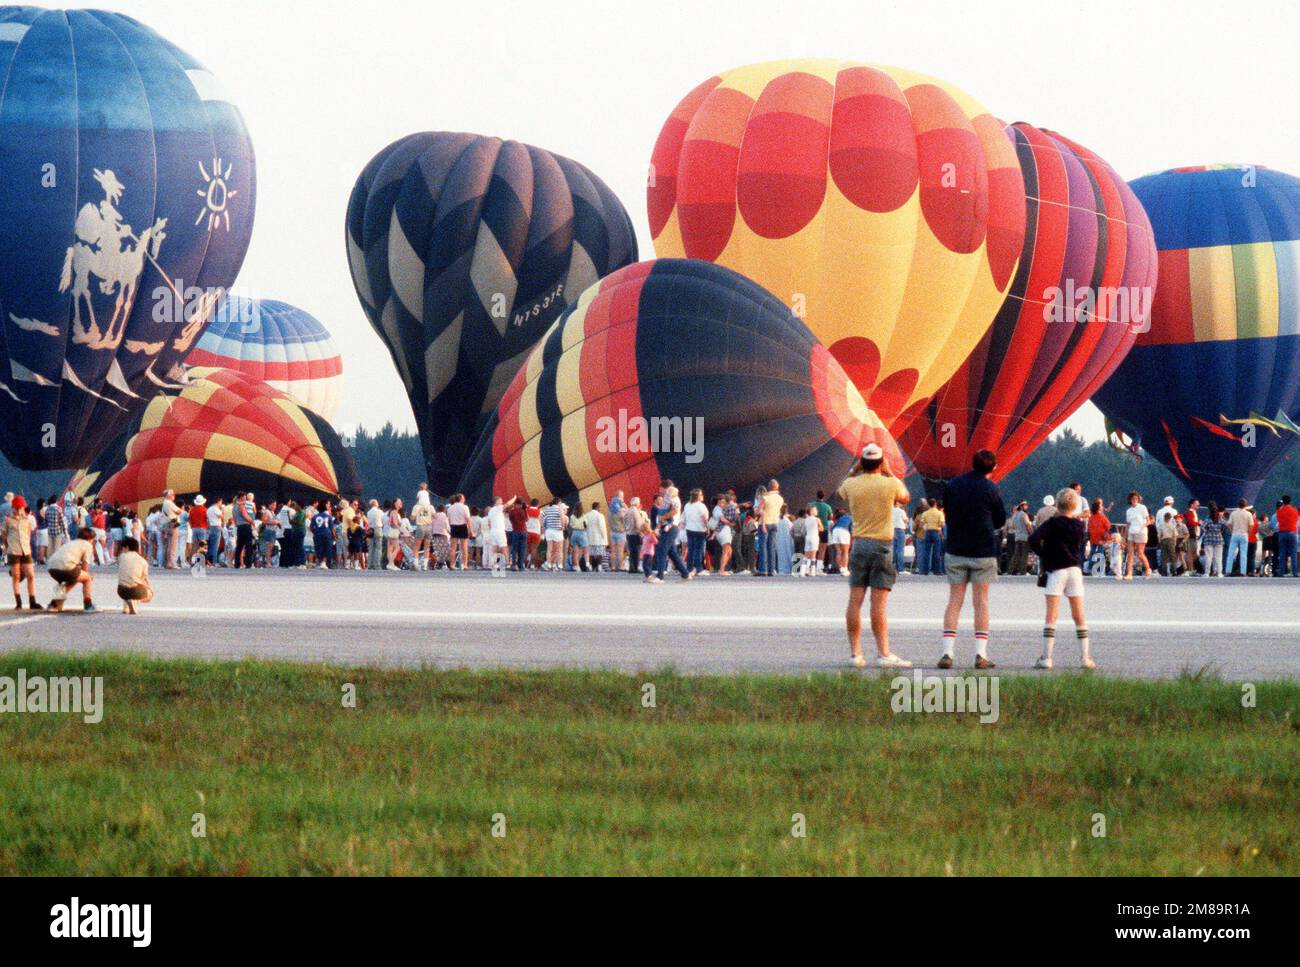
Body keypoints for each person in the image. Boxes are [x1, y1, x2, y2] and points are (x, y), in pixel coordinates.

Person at [838, 443, 911, 668]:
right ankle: (883, 653)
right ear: (880, 462)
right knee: (878, 605)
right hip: (882, 545)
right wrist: (888, 471)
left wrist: (854, 470)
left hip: (859, 544)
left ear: (862, 462)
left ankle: (855, 654)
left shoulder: (851, 483)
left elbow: (840, 492)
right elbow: (906, 497)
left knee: (855, 600)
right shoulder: (890, 484)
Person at [937, 449, 1006, 669]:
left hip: (956, 548)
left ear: (972, 463)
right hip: (983, 551)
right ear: (993, 468)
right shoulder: (992, 489)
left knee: (954, 601)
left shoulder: (954, 485)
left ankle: (947, 653)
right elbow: (999, 520)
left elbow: (947, 511)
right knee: (981, 602)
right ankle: (980, 654)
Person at [1028, 488, 1095, 670]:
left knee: (1051, 614)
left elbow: (1033, 539)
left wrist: (1044, 554)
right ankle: (1085, 658)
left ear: (1057, 505)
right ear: (1075, 506)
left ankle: (1046, 658)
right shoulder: (1080, 526)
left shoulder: (1052, 523)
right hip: (1074, 570)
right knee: (1079, 614)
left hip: (1056, 569)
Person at [46, 526, 97, 613]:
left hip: (51, 568)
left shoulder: (72, 542)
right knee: (87, 577)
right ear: (90, 538)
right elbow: (85, 567)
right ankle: (88, 605)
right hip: (67, 567)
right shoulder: (88, 545)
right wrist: (88, 575)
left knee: (75, 578)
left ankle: (53, 604)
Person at [4, 496, 41, 610]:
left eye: (22, 507)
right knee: (16, 576)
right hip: (14, 550)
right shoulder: (8, 520)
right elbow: (5, 535)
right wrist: (7, 547)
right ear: (14, 508)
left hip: (26, 550)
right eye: (19, 507)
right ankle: (18, 601)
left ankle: (32, 601)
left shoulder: (27, 520)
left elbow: (29, 533)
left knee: (30, 574)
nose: (21, 509)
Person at [115, 536, 154, 614]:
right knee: (139, 584)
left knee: (126, 579)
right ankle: (134, 604)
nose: (122, 550)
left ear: (127, 547)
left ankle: (126, 607)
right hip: (135, 591)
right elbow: (144, 579)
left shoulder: (121, 557)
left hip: (121, 591)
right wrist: (150, 590)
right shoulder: (143, 561)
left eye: (123, 548)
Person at [1122, 492, 1153, 580]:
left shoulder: (1142, 508)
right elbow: (1128, 525)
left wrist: (1143, 526)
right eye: (1132, 499)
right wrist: (1124, 537)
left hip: (1141, 533)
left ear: (1138, 499)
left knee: (1140, 554)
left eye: (1136, 498)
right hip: (1132, 533)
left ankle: (1148, 569)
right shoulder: (1128, 511)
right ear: (1130, 500)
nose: (1134, 500)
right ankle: (1129, 574)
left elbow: (1149, 520)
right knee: (1130, 553)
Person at [682, 489, 710, 576]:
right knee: (699, 550)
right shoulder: (700, 506)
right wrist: (708, 528)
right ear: (698, 496)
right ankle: (699, 569)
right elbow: (704, 518)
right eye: (701, 494)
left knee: (690, 550)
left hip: (689, 529)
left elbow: (685, 517)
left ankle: (689, 568)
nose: (702, 496)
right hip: (699, 530)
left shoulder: (687, 505)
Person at [1224, 499, 1253, 576]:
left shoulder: (1233, 513)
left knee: (1230, 554)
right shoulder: (1248, 514)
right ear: (1246, 505)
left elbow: (1229, 524)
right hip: (1244, 534)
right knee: (1243, 554)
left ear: (1238, 505)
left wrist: (1232, 531)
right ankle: (1243, 572)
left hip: (1235, 534)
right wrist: (1248, 532)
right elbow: (1251, 525)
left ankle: (1228, 571)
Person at [1275, 495, 1298, 577]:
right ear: (1290, 501)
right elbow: (1296, 520)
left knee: (1282, 553)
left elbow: (1278, 519)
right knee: (1293, 553)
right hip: (1292, 533)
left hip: (1282, 533)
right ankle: (1295, 572)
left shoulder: (1279, 511)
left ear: (1282, 502)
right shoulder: (1294, 510)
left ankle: (1281, 572)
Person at [1200, 507, 1227, 577]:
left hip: (1208, 539)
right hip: (1218, 539)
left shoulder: (1208, 520)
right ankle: (1219, 573)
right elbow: (1226, 525)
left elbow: (1202, 526)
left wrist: (1206, 531)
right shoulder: (1221, 520)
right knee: (1218, 557)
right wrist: (1220, 531)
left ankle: (1207, 573)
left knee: (1209, 557)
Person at [541, 497, 566, 571]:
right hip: (557, 530)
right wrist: (563, 526)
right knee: (559, 549)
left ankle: (549, 564)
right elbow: (562, 517)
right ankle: (560, 565)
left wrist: (542, 526)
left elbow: (540, 516)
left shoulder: (547, 509)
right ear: (558, 502)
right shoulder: (559, 509)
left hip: (549, 530)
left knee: (549, 549)